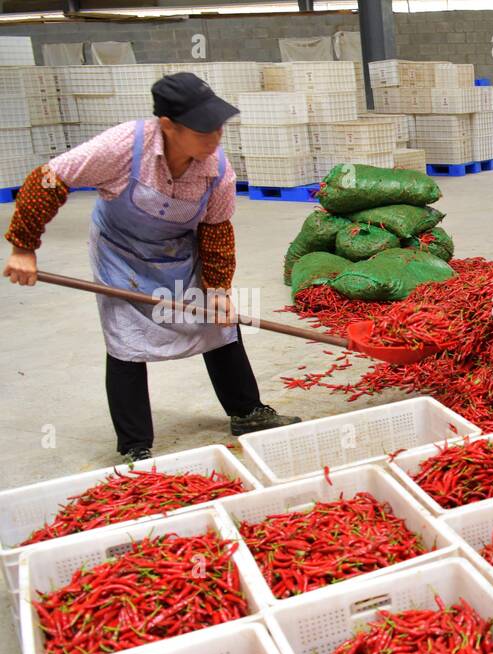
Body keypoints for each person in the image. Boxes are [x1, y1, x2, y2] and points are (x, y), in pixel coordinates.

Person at [3, 71, 299, 462]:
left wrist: (220, 289)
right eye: (203, 129)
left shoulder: (218, 168)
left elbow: (215, 229)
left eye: (219, 127)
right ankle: (135, 445)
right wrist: (24, 247)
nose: (215, 138)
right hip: (120, 253)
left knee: (219, 322)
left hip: (179, 250)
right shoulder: (124, 146)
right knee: (126, 339)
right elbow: (49, 179)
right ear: (168, 125)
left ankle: (247, 412)